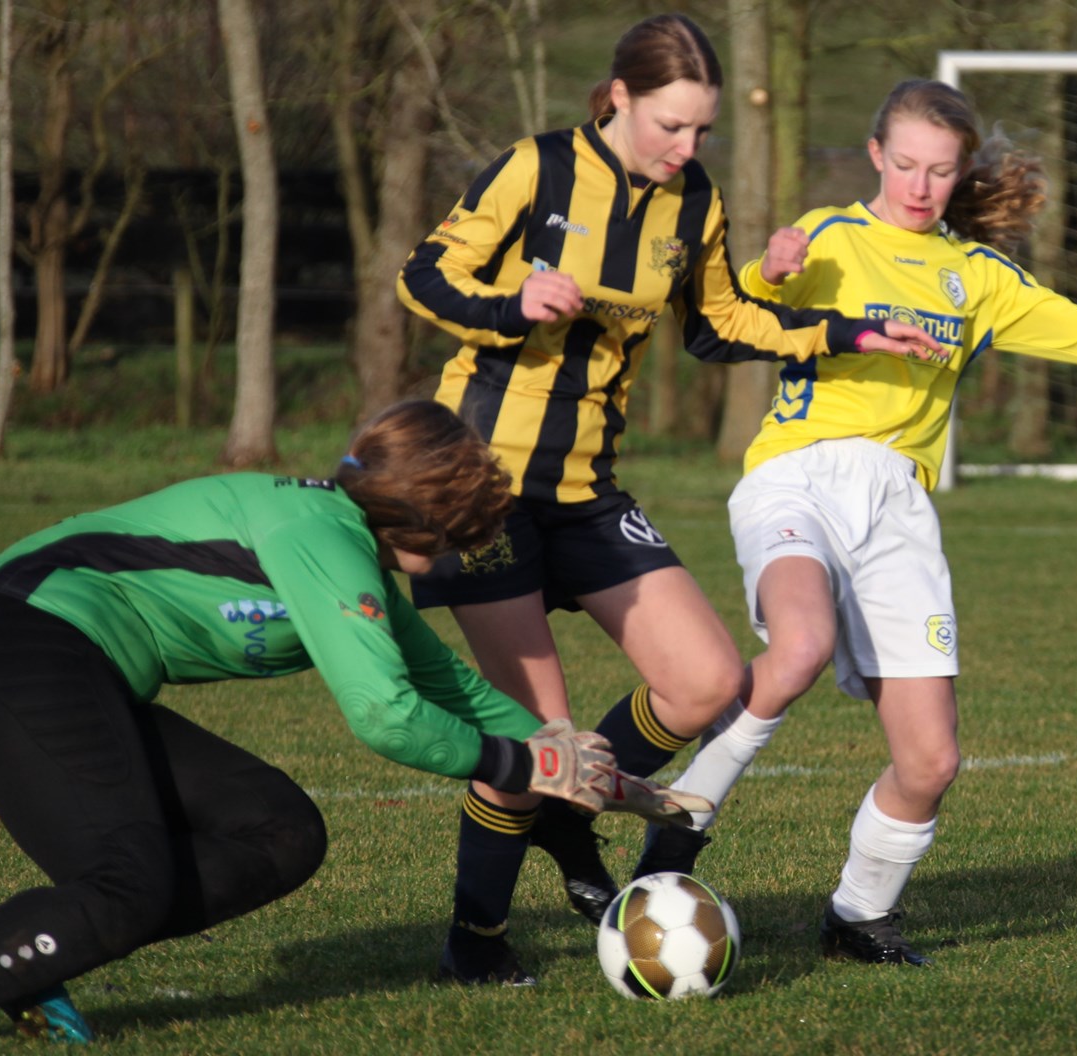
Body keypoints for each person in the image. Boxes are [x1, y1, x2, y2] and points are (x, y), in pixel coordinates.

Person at [627, 78, 1077, 965]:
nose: (920, 186)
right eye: (904, 166)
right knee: (801, 647)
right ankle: (680, 825)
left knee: (931, 763)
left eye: (939, 170)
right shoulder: (828, 235)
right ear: (874, 157)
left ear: (961, 171)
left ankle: (858, 917)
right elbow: (732, 313)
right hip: (798, 479)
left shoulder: (979, 278)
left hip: (897, 501)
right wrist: (769, 270)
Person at [393, 14, 939, 983]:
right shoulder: (535, 170)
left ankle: (566, 818)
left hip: (588, 488)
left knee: (708, 682)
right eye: (669, 128)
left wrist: (851, 333)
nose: (684, 149)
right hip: (479, 485)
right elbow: (424, 277)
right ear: (618, 98)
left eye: (700, 132)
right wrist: (509, 306)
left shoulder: (693, 201)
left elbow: (720, 324)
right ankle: (471, 939)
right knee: (538, 738)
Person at [0, 400, 697, 1043]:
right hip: (10, 645)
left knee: (281, 833)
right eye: (454, 532)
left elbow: (446, 685)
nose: (453, 553)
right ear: (421, 516)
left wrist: (598, 773)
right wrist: (529, 768)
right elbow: (388, 717)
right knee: (129, 884)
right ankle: (21, 954)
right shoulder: (321, 533)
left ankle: (34, 951)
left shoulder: (347, 543)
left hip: (64, 664)